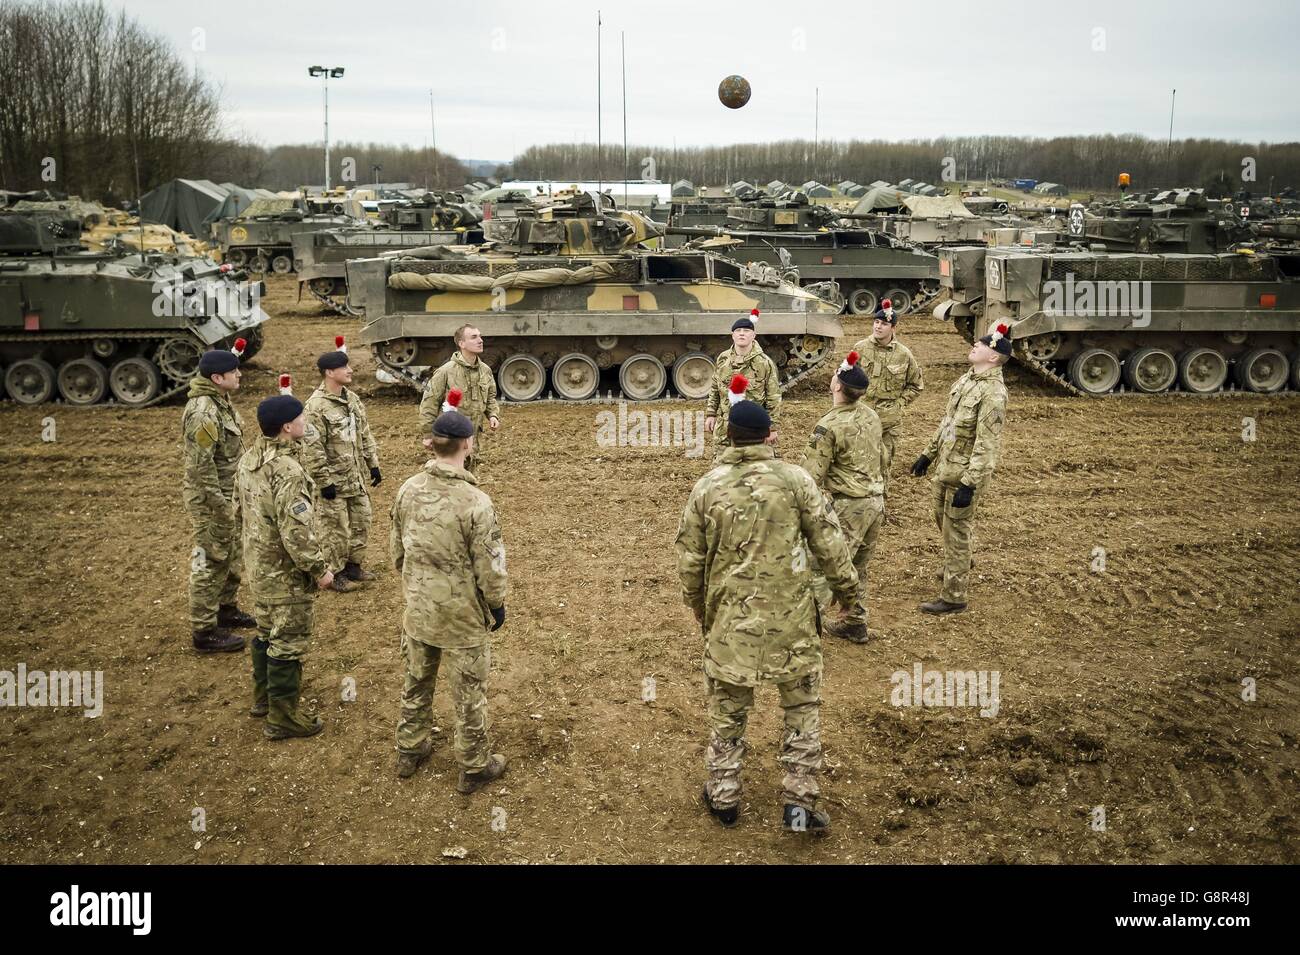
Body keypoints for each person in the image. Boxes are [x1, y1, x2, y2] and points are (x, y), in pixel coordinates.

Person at [676, 398, 857, 835]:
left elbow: (690, 562)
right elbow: (829, 542)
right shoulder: (796, 481)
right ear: (769, 435)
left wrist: (702, 610)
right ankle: (799, 809)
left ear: (729, 436)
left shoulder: (707, 487)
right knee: (801, 710)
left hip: (730, 626)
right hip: (792, 622)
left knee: (727, 713)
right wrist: (848, 591)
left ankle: (724, 799)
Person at [390, 404, 509, 792]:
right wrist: (496, 604)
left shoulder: (408, 489)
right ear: (467, 445)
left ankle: (410, 749)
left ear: (434, 445)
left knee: (417, 679)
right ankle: (474, 764)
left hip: (420, 608)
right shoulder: (476, 502)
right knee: (469, 691)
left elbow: (397, 551)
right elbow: (489, 567)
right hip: (461, 616)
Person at [235, 392, 334, 739]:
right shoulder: (288, 471)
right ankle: (283, 717)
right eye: (301, 419)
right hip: (285, 574)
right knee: (288, 640)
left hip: (259, 567)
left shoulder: (249, 459)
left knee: (266, 631)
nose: (305, 423)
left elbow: (239, 511)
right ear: (287, 427)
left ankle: (262, 699)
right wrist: (319, 570)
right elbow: (297, 532)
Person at [911, 322, 1011, 615]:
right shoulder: (967, 380)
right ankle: (961, 560)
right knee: (943, 521)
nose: (975, 346)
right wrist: (928, 455)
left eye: (982, 345)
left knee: (956, 530)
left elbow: (987, 444)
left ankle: (954, 596)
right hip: (946, 468)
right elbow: (948, 423)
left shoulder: (993, 393)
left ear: (993, 357)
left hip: (965, 474)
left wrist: (969, 483)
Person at [799, 351, 886, 644]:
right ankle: (855, 622)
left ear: (837, 386)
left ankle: (805, 637)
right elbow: (882, 457)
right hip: (875, 502)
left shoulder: (829, 425)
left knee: (824, 568)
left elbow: (811, 476)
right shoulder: (871, 415)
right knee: (857, 567)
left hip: (849, 506)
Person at [181, 339, 254, 654]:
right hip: (213, 501)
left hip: (229, 495)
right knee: (211, 560)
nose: (239, 375)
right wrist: (220, 507)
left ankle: (226, 609)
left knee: (231, 554)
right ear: (216, 378)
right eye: (233, 372)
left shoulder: (220, 400)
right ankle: (204, 631)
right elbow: (201, 468)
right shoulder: (203, 413)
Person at [302, 335, 381, 592]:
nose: (350, 371)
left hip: (355, 477)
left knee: (361, 522)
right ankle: (334, 573)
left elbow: (365, 434)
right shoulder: (315, 407)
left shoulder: (352, 399)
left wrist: (373, 464)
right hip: (333, 482)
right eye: (344, 367)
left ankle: (353, 566)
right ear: (329, 372)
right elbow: (312, 449)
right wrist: (324, 482)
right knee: (334, 530)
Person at [852, 298, 923, 494]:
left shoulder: (904, 355)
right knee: (857, 460)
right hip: (861, 415)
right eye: (876, 322)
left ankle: (880, 501)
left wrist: (899, 404)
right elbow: (846, 378)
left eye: (884, 324)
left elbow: (916, 385)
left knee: (883, 462)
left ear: (893, 328)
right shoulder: (860, 348)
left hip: (888, 421)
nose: (878, 326)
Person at [417, 324, 500, 474]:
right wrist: (428, 434)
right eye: (474, 337)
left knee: (469, 480)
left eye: (480, 336)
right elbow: (429, 403)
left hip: (473, 440)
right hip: (451, 442)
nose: (480, 340)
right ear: (461, 344)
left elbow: (490, 397)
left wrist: (493, 414)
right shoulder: (445, 371)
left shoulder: (485, 371)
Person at [703, 309, 781, 450]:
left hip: (752, 430)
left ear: (754, 335)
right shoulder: (723, 359)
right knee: (721, 465)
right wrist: (711, 413)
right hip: (724, 426)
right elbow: (715, 387)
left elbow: (773, 397)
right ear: (732, 335)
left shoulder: (764, 363)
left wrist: (772, 427)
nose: (742, 333)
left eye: (746, 330)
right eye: (738, 330)